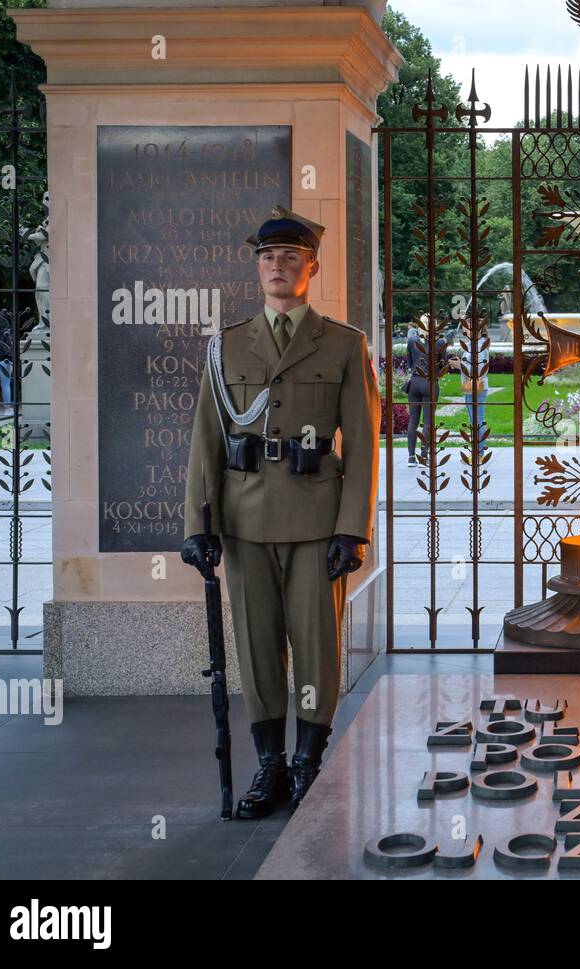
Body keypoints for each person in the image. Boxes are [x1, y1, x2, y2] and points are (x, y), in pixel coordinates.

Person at [179, 205, 380, 819]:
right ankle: (269, 766)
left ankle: (307, 763)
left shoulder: (344, 345)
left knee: (316, 645)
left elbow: (365, 442)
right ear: (257, 268)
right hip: (243, 522)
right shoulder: (227, 345)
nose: (276, 266)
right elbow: (205, 441)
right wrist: (198, 525)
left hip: (317, 521)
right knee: (257, 645)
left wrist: (353, 528)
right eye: (267, 257)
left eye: (290, 257)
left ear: (310, 267)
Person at [406, 315, 447, 466]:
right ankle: (424, 455)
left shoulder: (412, 341)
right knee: (428, 422)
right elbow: (443, 365)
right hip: (430, 382)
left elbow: (410, 362)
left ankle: (411, 457)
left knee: (413, 421)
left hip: (415, 382)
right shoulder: (440, 343)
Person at [450, 312, 490, 456]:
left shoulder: (479, 345)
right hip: (470, 386)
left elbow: (477, 368)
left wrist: (459, 365)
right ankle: (476, 451)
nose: (464, 330)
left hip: (476, 387)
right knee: (474, 421)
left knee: (478, 421)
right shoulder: (473, 344)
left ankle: (479, 453)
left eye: (466, 328)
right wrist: (460, 363)